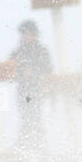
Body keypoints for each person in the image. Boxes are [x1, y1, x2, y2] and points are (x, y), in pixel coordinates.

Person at [10, 20, 52, 151]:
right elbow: (11, 71)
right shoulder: (18, 52)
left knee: (36, 119)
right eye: (23, 34)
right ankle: (26, 149)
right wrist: (21, 74)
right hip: (23, 92)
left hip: (37, 90)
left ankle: (40, 150)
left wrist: (33, 73)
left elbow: (48, 69)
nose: (24, 37)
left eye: (26, 33)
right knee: (26, 120)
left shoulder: (41, 51)